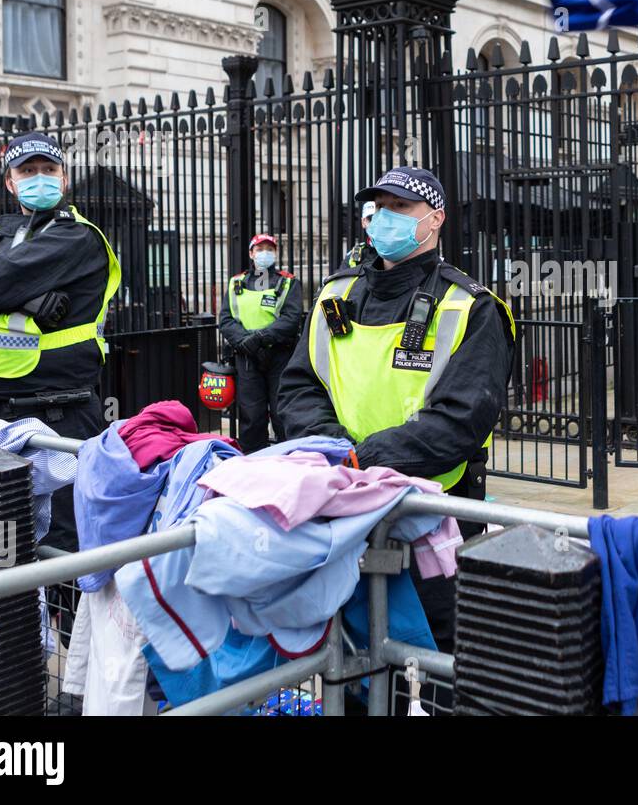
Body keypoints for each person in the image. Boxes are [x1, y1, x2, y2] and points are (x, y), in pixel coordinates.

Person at [278, 166, 515, 652]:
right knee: (349, 661)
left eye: (402, 207)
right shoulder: (335, 295)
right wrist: (335, 451)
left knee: (432, 666)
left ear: (435, 220)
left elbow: (460, 421)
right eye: (380, 208)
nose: (386, 217)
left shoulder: (471, 306)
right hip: (341, 512)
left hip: (432, 519)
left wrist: (362, 460)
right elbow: (299, 388)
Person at [0, 131, 122, 559]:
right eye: (27, 171)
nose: (39, 178)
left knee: (59, 556)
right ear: (10, 183)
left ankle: (61, 628)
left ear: (64, 179)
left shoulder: (75, 238)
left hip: (56, 420)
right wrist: (26, 296)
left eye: (48, 170)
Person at [217, 234, 302, 454]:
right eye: (260, 248)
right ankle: (253, 460)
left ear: (275, 253)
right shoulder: (236, 282)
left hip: (279, 355)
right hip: (247, 357)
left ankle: (289, 459)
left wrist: (262, 338)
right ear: (251, 253)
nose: (264, 252)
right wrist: (246, 342)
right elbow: (226, 319)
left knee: (282, 411)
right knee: (251, 415)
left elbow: (291, 319)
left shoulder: (288, 282)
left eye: (269, 248)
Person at [345, 199, 377, 268]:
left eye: (380, 218)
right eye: (371, 219)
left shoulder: (400, 249)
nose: (376, 223)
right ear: (363, 222)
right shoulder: (357, 252)